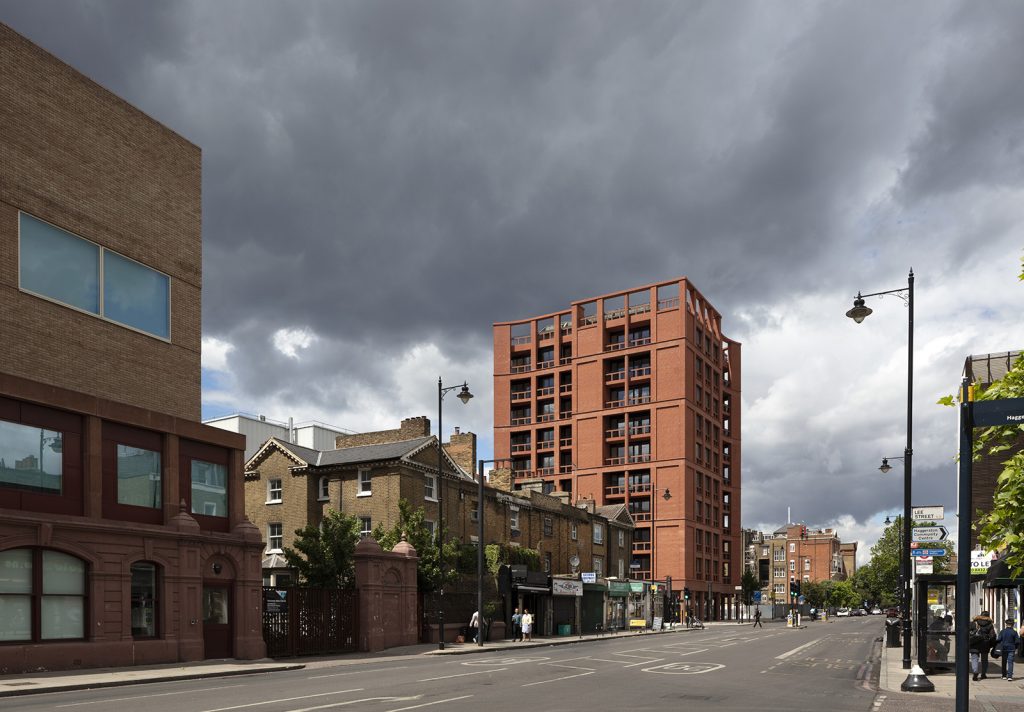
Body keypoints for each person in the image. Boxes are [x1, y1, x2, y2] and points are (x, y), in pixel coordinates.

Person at [969, 610, 997, 681]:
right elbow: (992, 635)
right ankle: (983, 674)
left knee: (974, 658)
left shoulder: (974, 622)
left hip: (974, 643)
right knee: (984, 660)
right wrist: (993, 644)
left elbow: (968, 632)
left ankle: (975, 671)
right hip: (985, 643)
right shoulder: (990, 624)